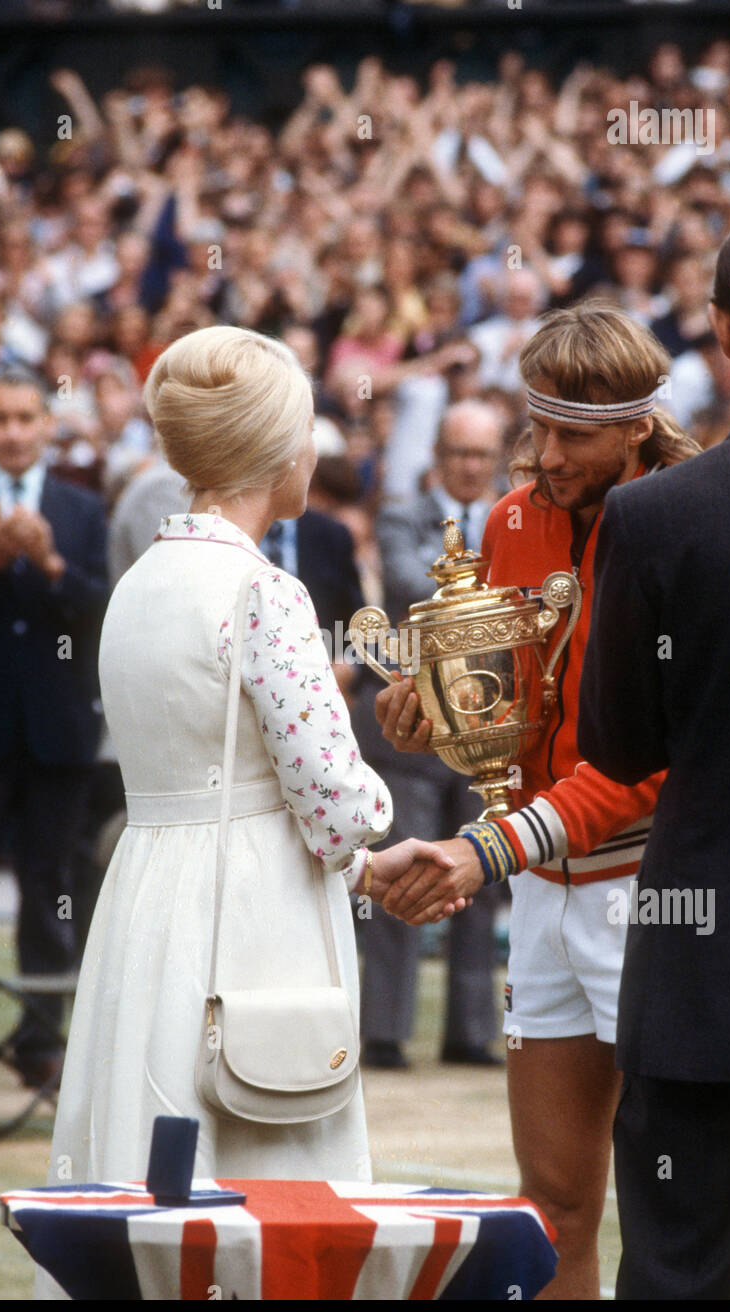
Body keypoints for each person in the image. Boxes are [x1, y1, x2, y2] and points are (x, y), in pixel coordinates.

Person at [43, 327, 467, 1212]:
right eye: (306, 427)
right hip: (248, 912)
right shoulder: (264, 589)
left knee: (148, 1172)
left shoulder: (139, 582)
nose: (315, 448)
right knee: (260, 1184)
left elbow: (230, 773)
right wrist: (389, 795)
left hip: (147, 896)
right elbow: (339, 802)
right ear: (275, 448)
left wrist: (359, 871)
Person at [377, 304, 700, 1298]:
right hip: (540, 889)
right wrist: (436, 713)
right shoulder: (510, 518)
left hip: (650, 891)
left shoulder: (686, 515)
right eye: (536, 426)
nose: (542, 454)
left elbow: (653, 752)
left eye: (569, 433)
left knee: (670, 1216)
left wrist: (491, 845)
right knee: (550, 1209)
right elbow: (513, 710)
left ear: (634, 425)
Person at [578, 207, 730, 1300]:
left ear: (719, 331)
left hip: (702, 936)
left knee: (675, 1270)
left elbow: (616, 742)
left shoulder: (653, 511)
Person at [0, 368, 108, 1093]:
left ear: (45, 425)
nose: (11, 432)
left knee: (49, 889)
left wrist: (50, 563)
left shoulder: (81, 507)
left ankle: (42, 1042)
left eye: (25, 418)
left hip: (57, 733)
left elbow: (100, 609)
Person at [354, 400, 506, 1069]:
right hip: (409, 728)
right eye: (460, 454)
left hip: (488, 725)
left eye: (482, 455)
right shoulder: (398, 515)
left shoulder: (510, 518)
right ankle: (384, 1031)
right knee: (403, 874)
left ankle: (469, 1033)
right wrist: (487, 593)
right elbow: (405, 582)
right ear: (438, 459)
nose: (471, 466)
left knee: (478, 880)